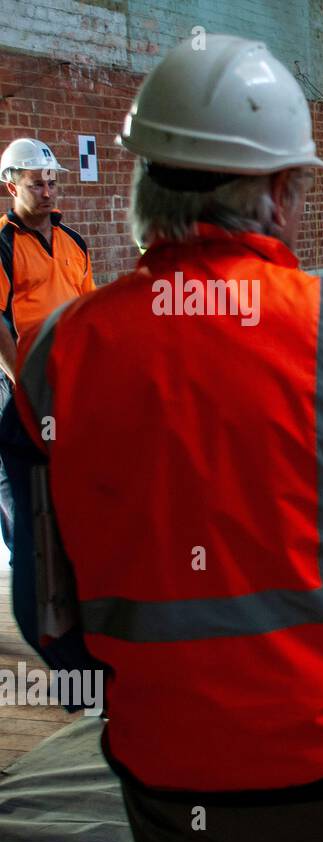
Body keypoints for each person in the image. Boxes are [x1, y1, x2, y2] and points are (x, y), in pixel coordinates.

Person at [0, 36, 323, 842]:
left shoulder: (55, 363)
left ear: (141, 184)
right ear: (284, 191)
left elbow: (47, 609)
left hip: (170, 782)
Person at [0, 137, 93, 552]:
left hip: (67, 378)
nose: (48, 192)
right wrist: (25, 382)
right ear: (11, 187)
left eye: (51, 182)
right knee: (18, 475)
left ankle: (67, 554)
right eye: (36, 184)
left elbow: (88, 311)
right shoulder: (3, 244)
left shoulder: (73, 241)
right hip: (17, 381)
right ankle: (28, 561)